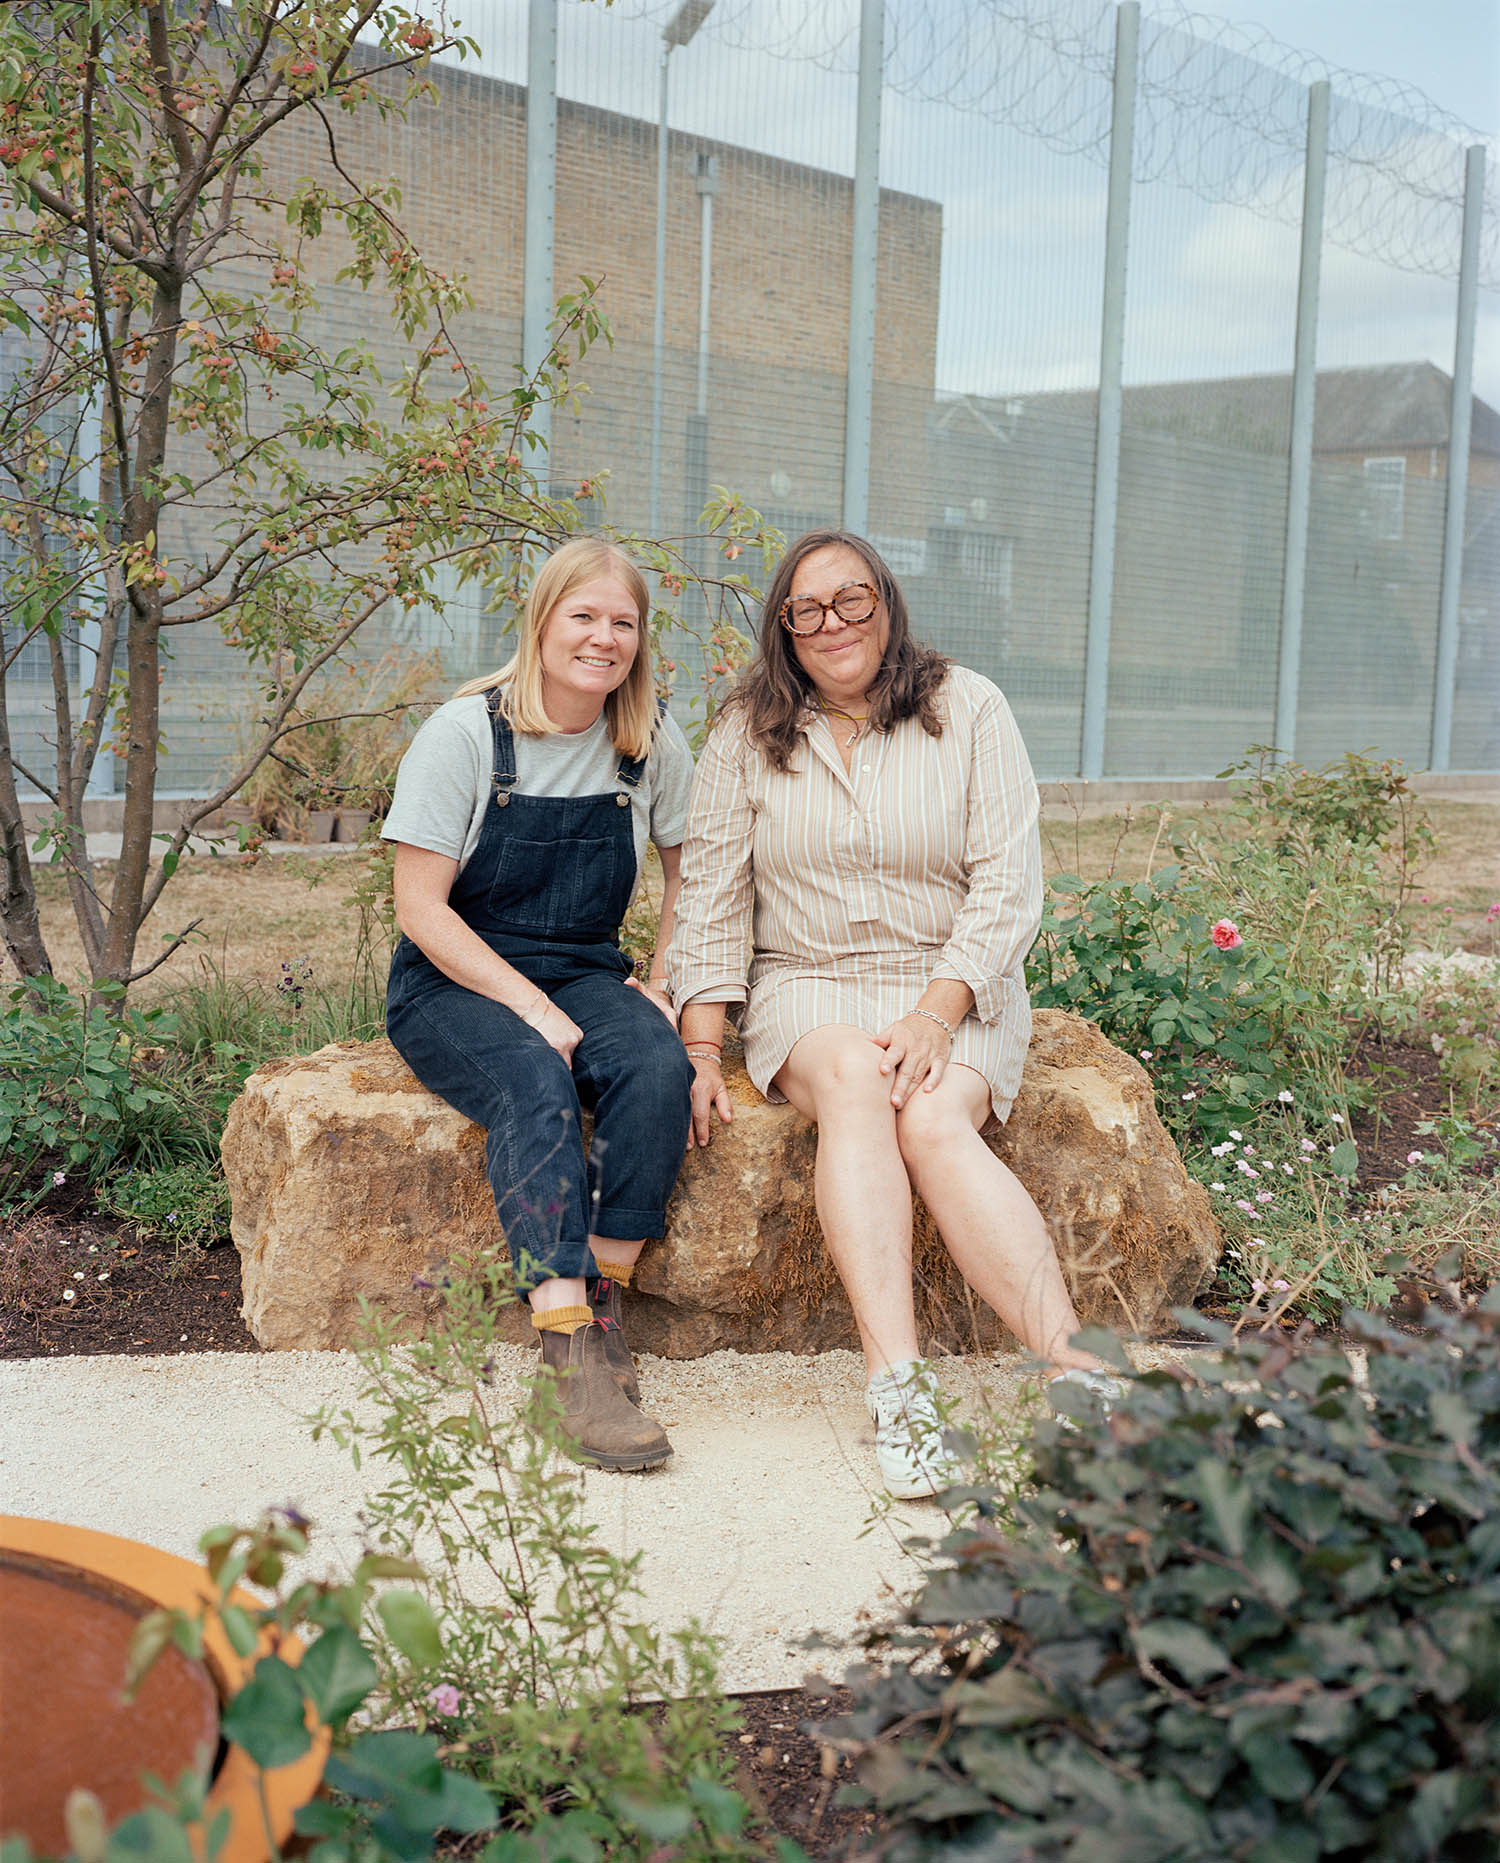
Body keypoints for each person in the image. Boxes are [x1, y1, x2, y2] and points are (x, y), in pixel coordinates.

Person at [667, 529, 1118, 1500]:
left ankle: (1075, 1368)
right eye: (807, 609)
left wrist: (937, 1011)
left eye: (852, 600)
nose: (832, 623)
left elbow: (1007, 882)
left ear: (887, 605)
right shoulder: (746, 734)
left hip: (950, 978)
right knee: (857, 1084)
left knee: (935, 1118)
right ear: (783, 628)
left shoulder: (968, 708)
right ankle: (900, 1390)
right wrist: (702, 1046)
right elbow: (709, 897)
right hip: (811, 981)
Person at [383, 537, 695, 1473]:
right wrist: (530, 1007)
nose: (604, 638)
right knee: (534, 1080)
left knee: (656, 1067)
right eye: (584, 616)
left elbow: (697, 875)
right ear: (543, 620)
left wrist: (667, 982)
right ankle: (565, 1353)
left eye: (623, 623)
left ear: (640, 640)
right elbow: (419, 908)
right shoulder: (468, 733)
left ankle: (599, 1307)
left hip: (587, 965)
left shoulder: (649, 742)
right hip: (454, 979)